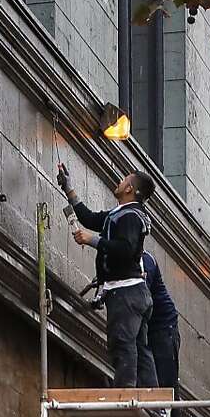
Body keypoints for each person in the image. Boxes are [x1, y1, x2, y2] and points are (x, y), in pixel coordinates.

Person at [57, 163, 156, 387]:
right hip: (134, 293)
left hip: (125, 292)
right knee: (140, 348)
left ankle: (126, 395)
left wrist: (91, 240)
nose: (119, 182)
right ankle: (154, 401)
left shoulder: (129, 216)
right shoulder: (121, 214)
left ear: (130, 188)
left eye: (124, 180)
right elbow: (89, 218)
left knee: (122, 344)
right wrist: (68, 189)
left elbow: (126, 249)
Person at [141, 250, 180, 393]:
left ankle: (168, 413)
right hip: (150, 328)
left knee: (166, 380)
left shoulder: (145, 260)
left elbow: (142, 297)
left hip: (163, 328)